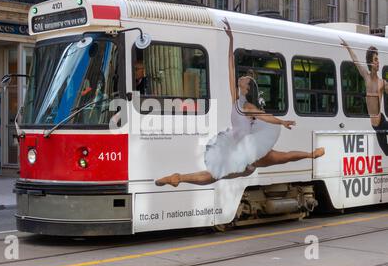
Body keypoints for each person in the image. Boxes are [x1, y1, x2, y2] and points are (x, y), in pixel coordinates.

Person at [155, 18, 325, 188]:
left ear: (246, 89)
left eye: (243, 81)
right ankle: (311, 155)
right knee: (282, 157)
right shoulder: (243, 104)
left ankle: (179, 178)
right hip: (248, 150)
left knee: (215, 175)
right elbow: (231, 67)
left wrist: (281, 121)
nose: (240, 80)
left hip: (238, 147)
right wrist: (230, 41)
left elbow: (263, 115)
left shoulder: (239, 103)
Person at [341, 38, 388, 155]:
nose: (378, 62)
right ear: (370, 62)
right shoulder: (366, 78)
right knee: (387, 152)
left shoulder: (382, 83)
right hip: (375, 126)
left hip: (381, 122)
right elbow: (356, 60)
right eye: (375, 59)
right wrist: (348, 47)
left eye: (378, 60)